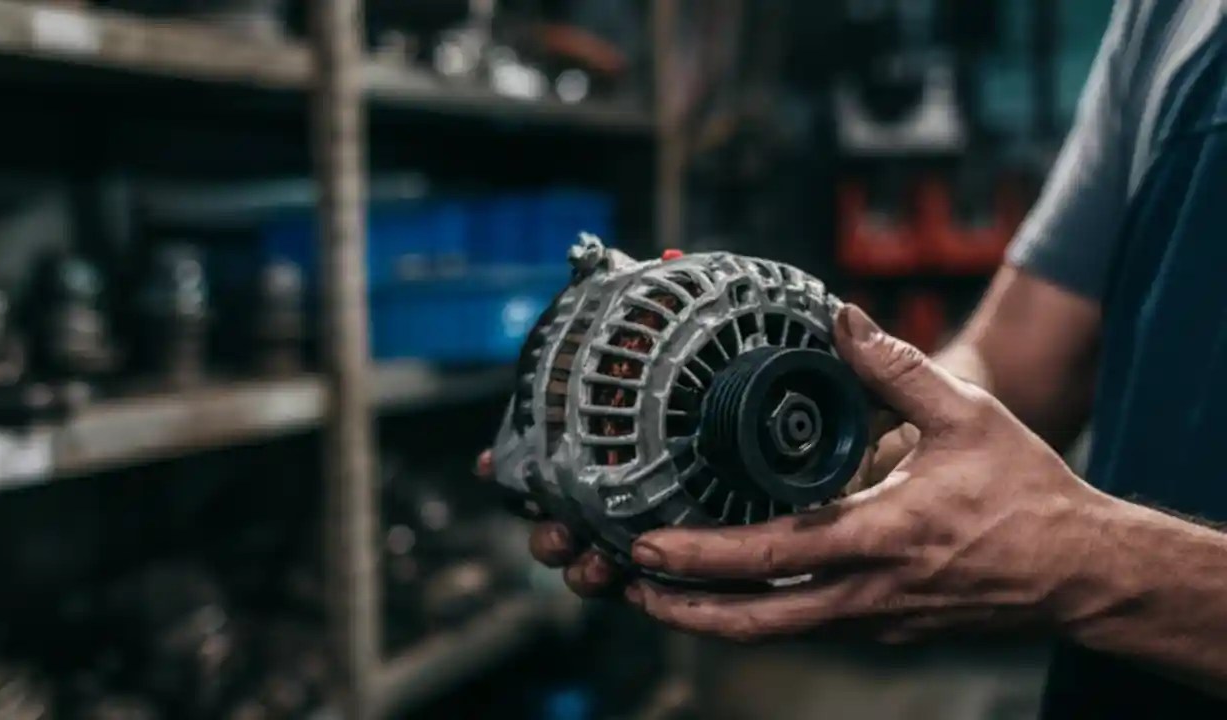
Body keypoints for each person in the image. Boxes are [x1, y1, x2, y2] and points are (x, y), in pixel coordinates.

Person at [478, 1, 1227, 716]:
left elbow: (1083, 558)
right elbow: (1022, 354)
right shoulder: (1165, 13)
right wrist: (865, 464)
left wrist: (1087, 564)